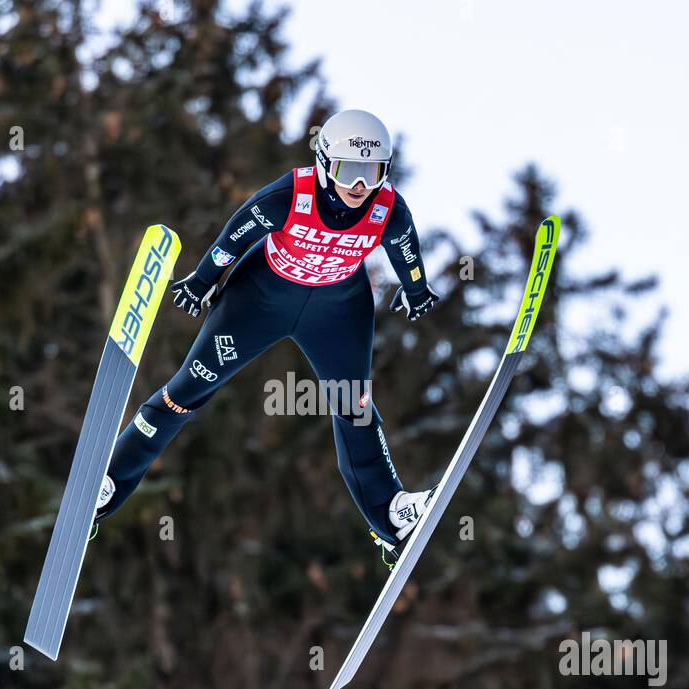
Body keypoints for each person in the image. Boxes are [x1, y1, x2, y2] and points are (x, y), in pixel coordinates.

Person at [94, 109, 440, 566]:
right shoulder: (289, 195)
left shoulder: (388, 209)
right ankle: (109, 485)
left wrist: (416, 291)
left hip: (336, 311)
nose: (359, 186)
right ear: (324, 163)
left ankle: (391, 518)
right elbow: (233, 238)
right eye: (348, 171)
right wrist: (201, 281)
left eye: (371, 173)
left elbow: (406, 251)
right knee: (185, 392)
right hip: (259, 300)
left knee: (353, 405)